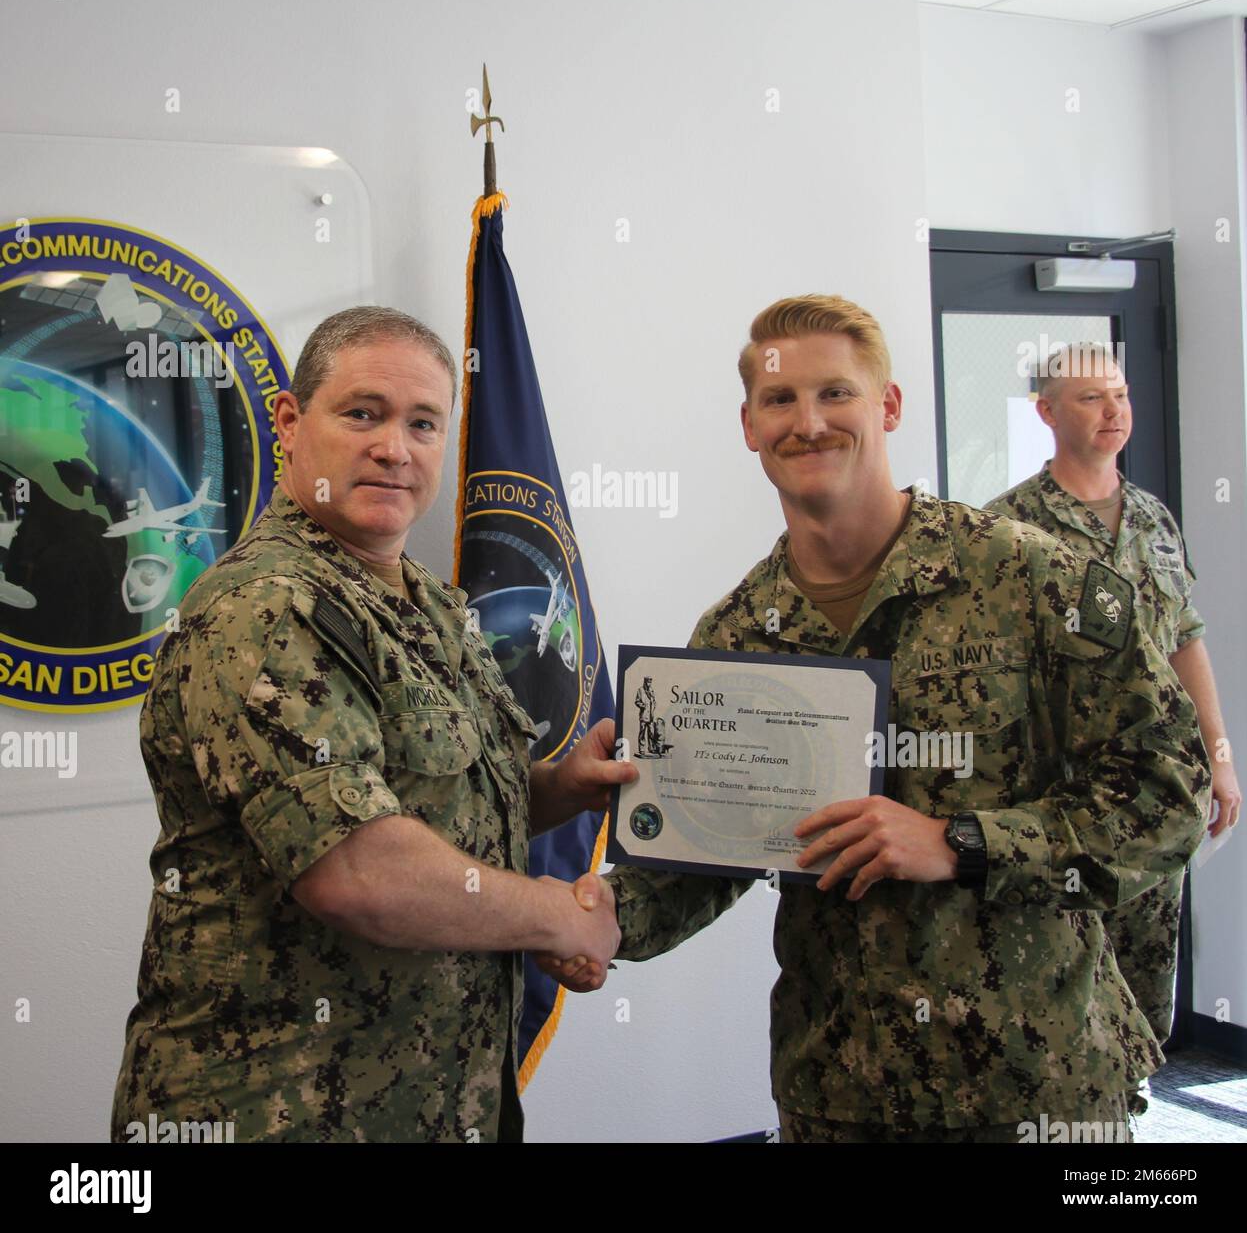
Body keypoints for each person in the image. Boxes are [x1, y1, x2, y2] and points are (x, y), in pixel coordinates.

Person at [543, 295, 1210, 1144]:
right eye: (779, 401)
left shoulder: (1034, 581)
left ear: (887, 406)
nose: (807, 422)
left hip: (1033, 1085)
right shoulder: (737, 634)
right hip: (837, 1092)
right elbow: (713, 847)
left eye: (836, 394)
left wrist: (960, 842)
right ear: (749, 425)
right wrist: (600, 916)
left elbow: (1167, 793)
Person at [111, 306, 628, 1144]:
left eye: (423, 423)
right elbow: (356, 868)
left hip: (427, 1103)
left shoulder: (421, 601)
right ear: (289, 421)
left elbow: (425, 802)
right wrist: (555, 913)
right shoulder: (268, 605)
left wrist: (559, 791)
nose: (396, 447)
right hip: (284, 1113)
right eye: (363, 413)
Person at [985, 343, 1239, 1075]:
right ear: (1046, 411)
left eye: (1121, 395)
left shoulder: (1153, 519)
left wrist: (1217, 758)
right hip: (1063, 804)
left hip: (1159, 798)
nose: (1114, 411)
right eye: (1092, 397)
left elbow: (1185, 639)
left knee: (1145, 1000)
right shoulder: (1008, 531)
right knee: (1060, 1003)